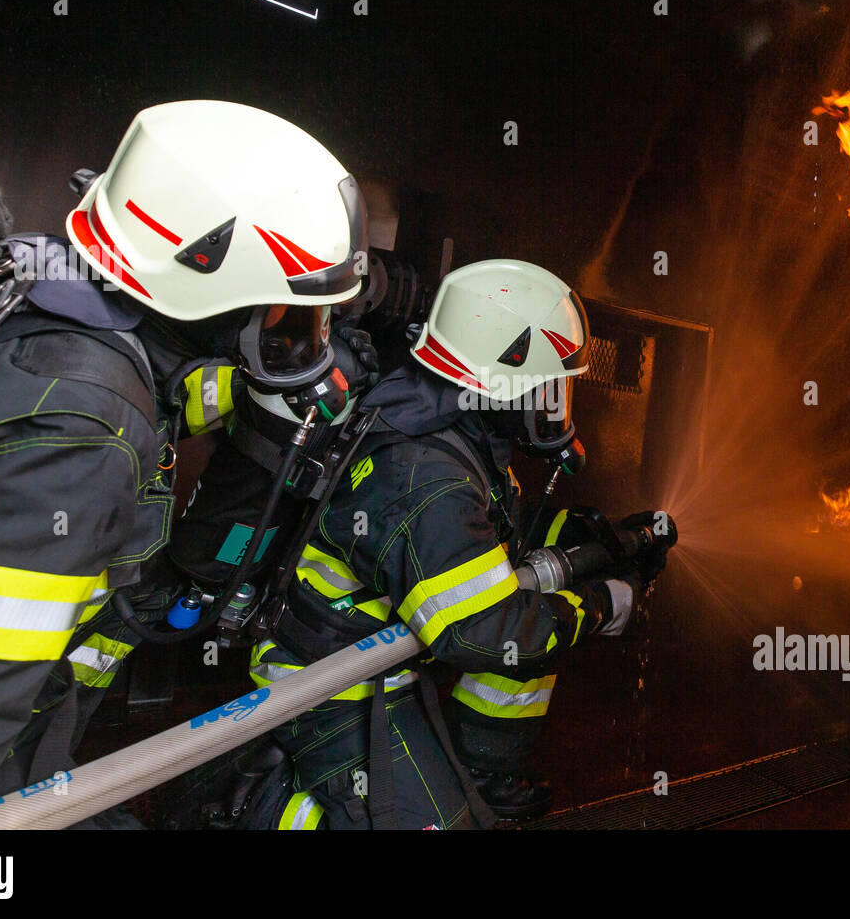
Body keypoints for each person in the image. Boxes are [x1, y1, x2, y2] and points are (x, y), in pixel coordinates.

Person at [0, 100, 370, 827]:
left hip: (21, 731)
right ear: (206, 275)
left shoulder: (47, 288)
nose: (298, 341)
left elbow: (152, 389)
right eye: (285, 315)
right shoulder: (80, 439)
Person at [246, 258, 667, 829]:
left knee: (527, 639)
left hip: (389, 656)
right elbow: (488, 633)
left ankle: (478, 774)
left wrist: (597, 542)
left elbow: (489, 544)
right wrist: (604, 604)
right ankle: (254, 807)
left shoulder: (451, 427)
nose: (557, 402)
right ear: (509, 381)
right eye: (553, 385)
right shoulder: (428, 477)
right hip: (330, 685)